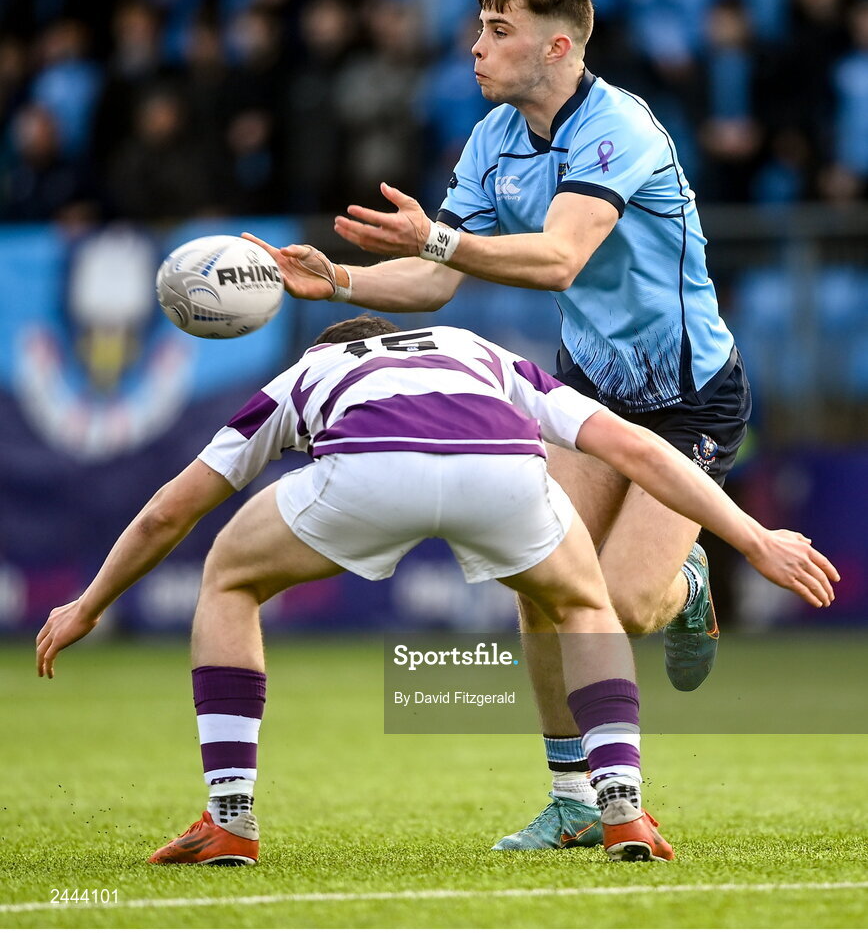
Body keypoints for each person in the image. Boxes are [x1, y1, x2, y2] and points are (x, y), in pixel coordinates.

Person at [242, 0, 758, 850]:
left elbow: (558, 259)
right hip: (590, 386)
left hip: (689, 398)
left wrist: (437, 241)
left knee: (624, 605)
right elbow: (435, 282)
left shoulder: (621, 127)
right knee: (538, 576)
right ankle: (573, 797)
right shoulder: (492, 139)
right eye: (480, 28)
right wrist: (339, 281)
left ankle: (686, 586)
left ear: (557, 47)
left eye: (498, 30)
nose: (476, 47)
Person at [35, 317, 837, 867]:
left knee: (229, 578)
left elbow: (170, 511)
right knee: (584, 603)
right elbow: (633, 447)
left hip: (369, 472)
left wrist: (90, 603)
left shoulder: (306, 373)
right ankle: (621, 805)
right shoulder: (472, 347)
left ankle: (230, 818)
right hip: (503, 470)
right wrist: (752, 538)